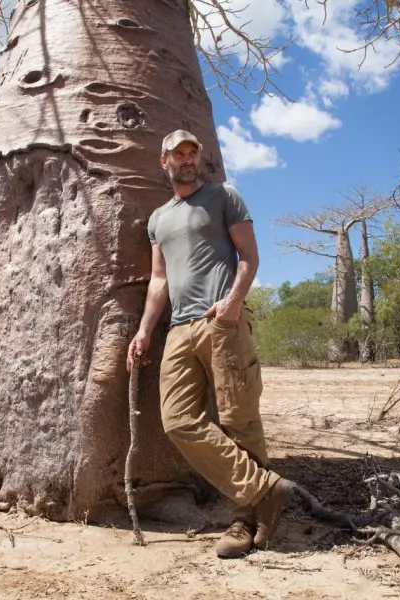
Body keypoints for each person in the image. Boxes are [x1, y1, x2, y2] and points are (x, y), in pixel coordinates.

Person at [126, 129, 293, 558]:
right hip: (178, 330)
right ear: (163, 161)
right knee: (178, 420)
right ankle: (265, 490)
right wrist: (145, 330)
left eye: (191, 153)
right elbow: (159, 280)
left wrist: (234, 302)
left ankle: (245, 519)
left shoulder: (224, 197)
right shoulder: (158, 219)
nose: (185, 160)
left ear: (199, 158)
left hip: (221, 321)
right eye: (177, 154)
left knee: (239, 420)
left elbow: (249, 255)